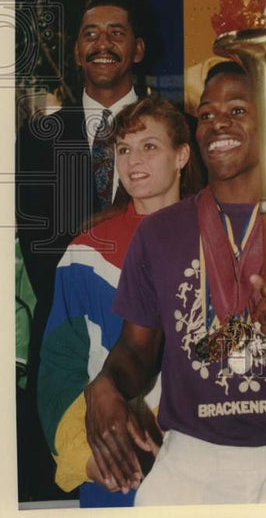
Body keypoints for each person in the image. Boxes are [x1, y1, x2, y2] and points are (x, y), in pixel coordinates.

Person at [83, 62, 266, 505]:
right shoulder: (159, 233)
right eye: (207, 114)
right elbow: (136, 352)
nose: (218, 122)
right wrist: (105, 385)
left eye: (237, 110)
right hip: (186, 467)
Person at [37, 96, 199, 507]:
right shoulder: (85, 253)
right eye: (123, 149)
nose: (133, 161)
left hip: (209, 460)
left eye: (150, 146)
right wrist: (89, 459)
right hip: (120, 466)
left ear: (181, 155)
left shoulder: (219, 239)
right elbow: (59, 369)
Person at [15, 0, 147, 501]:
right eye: (91, 34)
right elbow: (37, 246)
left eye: (116, 32)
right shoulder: (35, 139)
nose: (102, 43)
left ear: (137, 49)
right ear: (76, 52)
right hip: (66, 337)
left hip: (153, 338)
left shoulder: (173, 131)